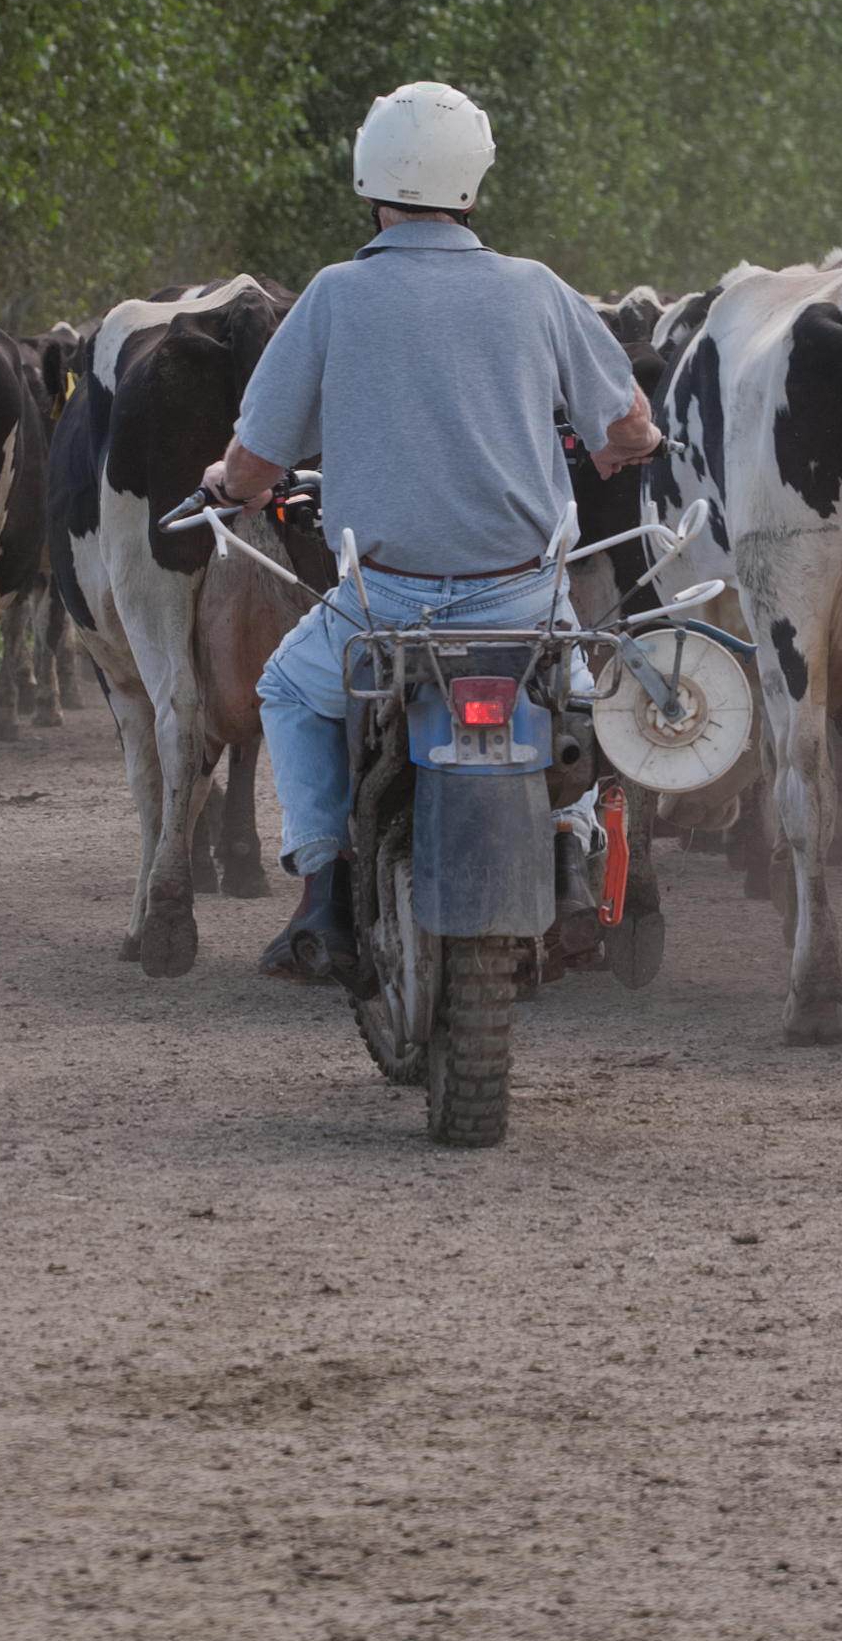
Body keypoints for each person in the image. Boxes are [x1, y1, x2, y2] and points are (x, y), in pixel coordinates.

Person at [208, 81, 660, 984]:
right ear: (472, 185)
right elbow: (630, 426)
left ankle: (324, 889)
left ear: (370, 179)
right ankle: (569, 856)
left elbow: (256, 458)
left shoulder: (334, 296)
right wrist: (624, 449)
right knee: (575, 701)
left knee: (290, 692)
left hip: (386, 602)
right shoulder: (536, 289)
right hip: (521, 598)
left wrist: (230, 483)